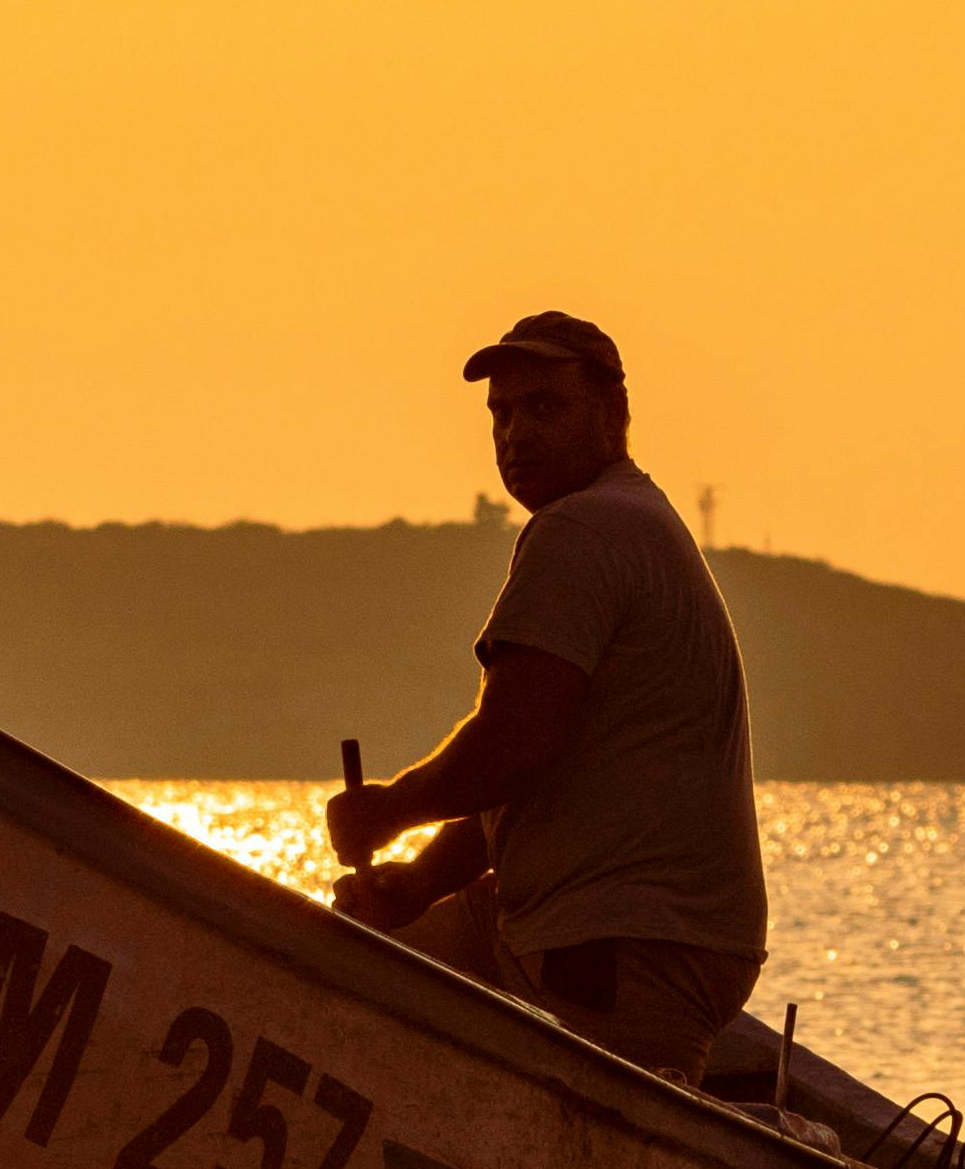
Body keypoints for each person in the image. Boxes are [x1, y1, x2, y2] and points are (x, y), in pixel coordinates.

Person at [325, 308, 770, 1084]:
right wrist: (419, 882)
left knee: (350, 1015)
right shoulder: (633, 518)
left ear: (611, 415)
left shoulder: (585, 529)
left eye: (543, 408)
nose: (515, 434)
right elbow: (536, 769)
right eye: (500, 413)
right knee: (357, 965)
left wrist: (388, 810)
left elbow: (512, 745)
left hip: (624, 942)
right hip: (644, 928)